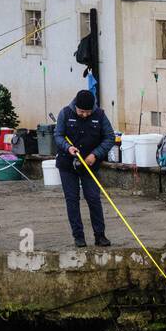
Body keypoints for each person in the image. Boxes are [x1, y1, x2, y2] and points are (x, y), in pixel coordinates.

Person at [54, 88, 116, 247]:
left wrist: (95, 155)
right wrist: (68, 147)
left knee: (94, 198)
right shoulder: (65, 113)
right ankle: (78, 236)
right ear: (76, 106)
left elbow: (109, 137)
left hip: (90, 163)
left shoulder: (100, 115)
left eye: (88, 112)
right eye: (81, 112)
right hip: (68, 163)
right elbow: (58, 135)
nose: (85, 115)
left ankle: (100, 235)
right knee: (72, 199)